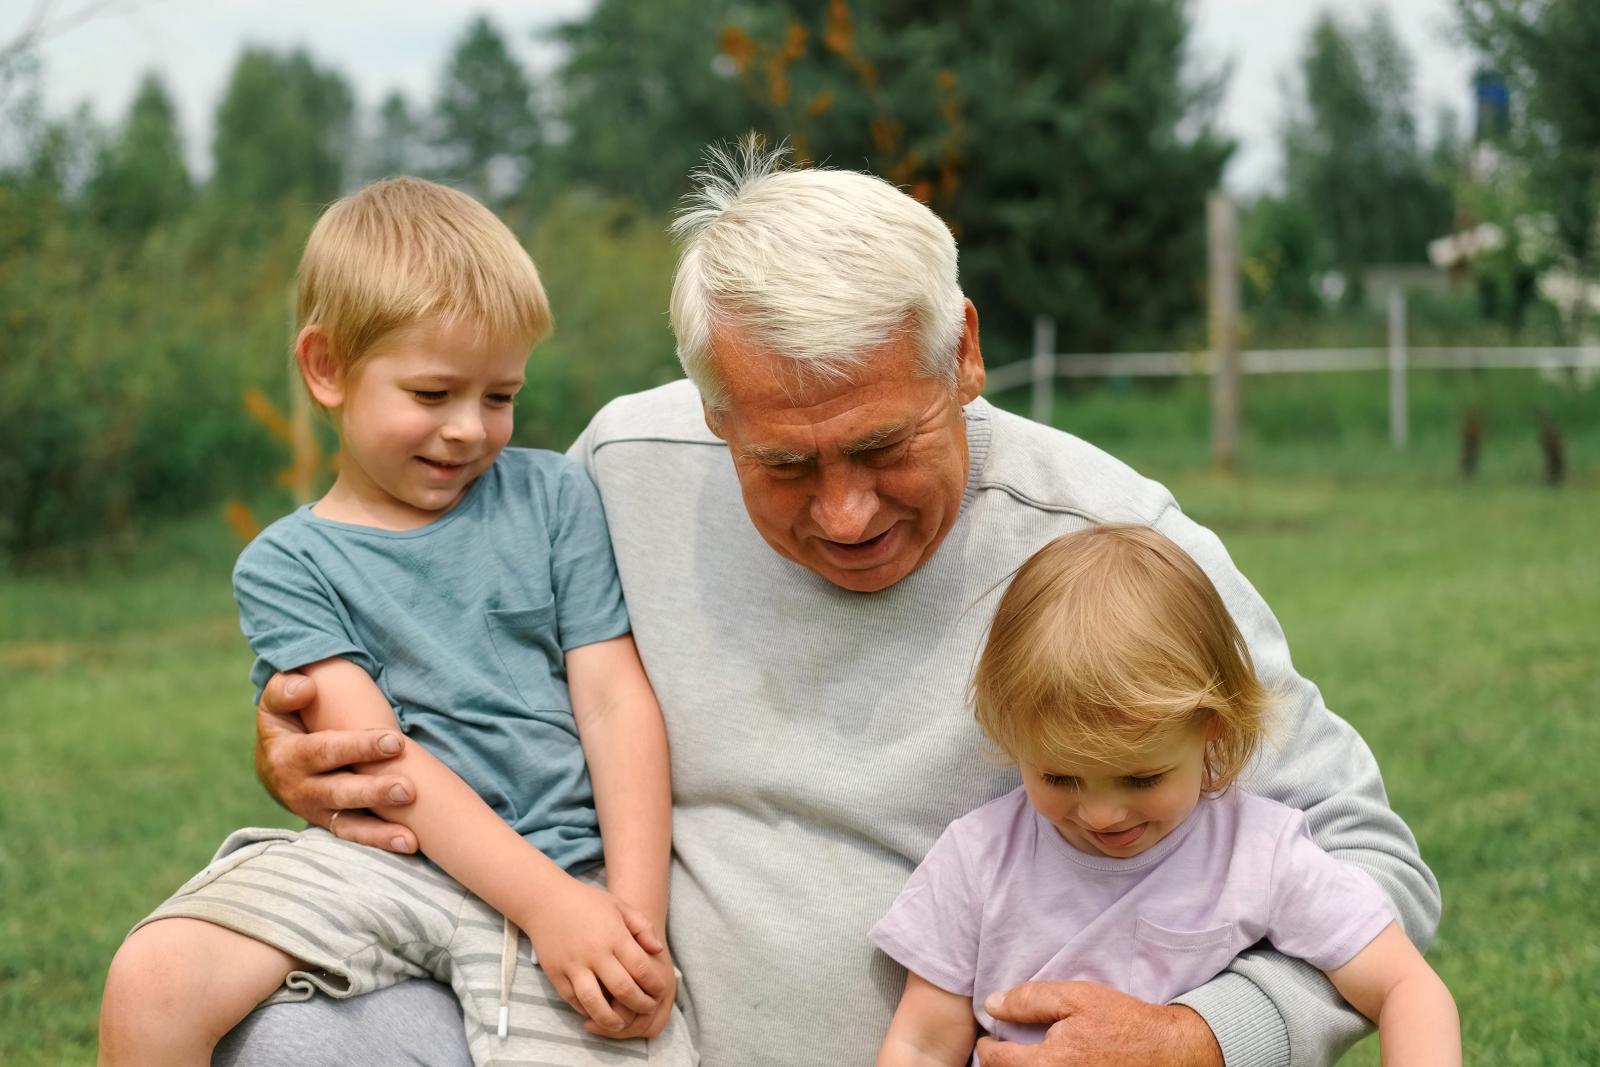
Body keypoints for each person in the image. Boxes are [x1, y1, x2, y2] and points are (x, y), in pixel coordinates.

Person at [229, 143, 1441, 1067]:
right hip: (603, 1025)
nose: (847, 512)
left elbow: (1367, 856)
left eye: (883, 444)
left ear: (961, 352)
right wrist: (330, 749)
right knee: (289, 1038)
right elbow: (464, 673)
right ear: (711, 410)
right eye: (785, 465)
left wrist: (1204, 1030)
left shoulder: (1113, 543)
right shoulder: (618, 469)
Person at [98, 178, 694, 1067]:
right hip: (391, 861)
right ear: (327, 368)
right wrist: (548, 908)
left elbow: (614, 702)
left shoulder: (555, 498)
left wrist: (628, 922)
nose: (468, 430)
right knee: (155, 976)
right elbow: (380, 762)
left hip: (571, 864)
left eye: (500, 396)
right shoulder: (288, 565)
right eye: (432, 392)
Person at [872, 524, 1460, 1066]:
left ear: (1213, 727)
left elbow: (1406, 987)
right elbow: (923, 1043)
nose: (1101, 814)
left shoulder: (1258, 854)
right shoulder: (977, 860)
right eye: (1059, 778)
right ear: (1010, 734)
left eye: (1142, 778)